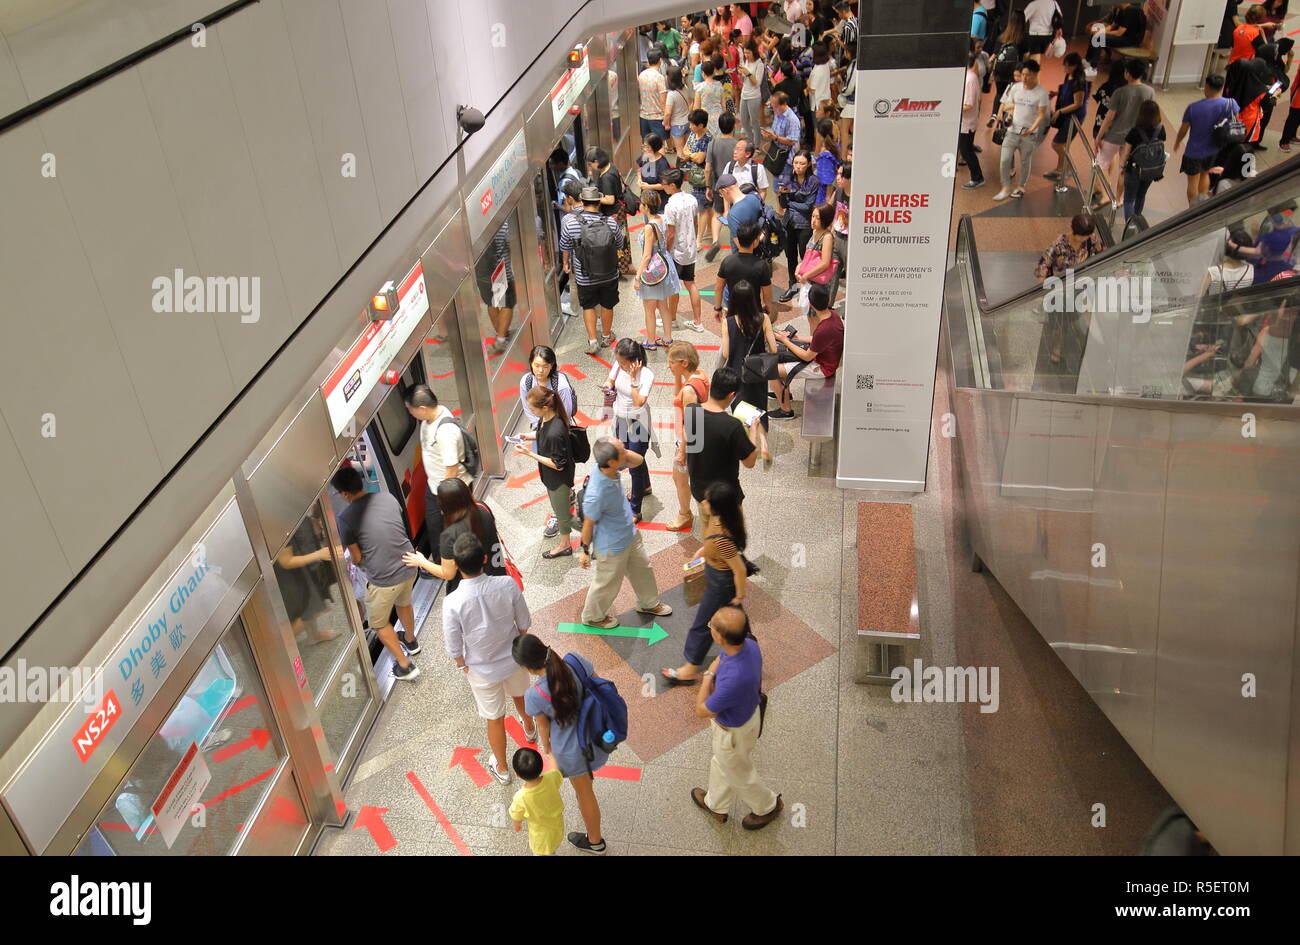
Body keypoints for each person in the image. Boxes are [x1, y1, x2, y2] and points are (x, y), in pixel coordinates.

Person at [442, 533, 532, 785]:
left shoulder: (451, 603)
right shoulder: (506, 584)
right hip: (513, 658)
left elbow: (453, 647)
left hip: (481, 670)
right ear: (484, 559)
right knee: (521, 695)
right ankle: (530, 727)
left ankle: (502, 768)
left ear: (457, 566)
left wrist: (463, 666)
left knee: (494, 718)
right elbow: (524, 623)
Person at [690, 605, 783, 831]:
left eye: (711, 625)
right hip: (750, 717)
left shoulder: (732, 679)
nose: (709, 627)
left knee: (740, 774)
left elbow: (702, 710)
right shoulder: (750, 645)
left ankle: (768, 806)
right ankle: (716, 804)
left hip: (732, 732)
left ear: (719, 636)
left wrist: (708, 676)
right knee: (723, 764)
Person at [512, 635, 608, 854]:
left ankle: (596, 841)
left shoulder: (534, 695)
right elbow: (599, 686)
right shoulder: (574, 661)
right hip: (597, 735)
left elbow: (543, 728)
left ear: (526, 667)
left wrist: (547, 750)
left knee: (584, 793)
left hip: (572, 751)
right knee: (585, 788)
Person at [332, 466, 420, 681]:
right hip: (410, 563)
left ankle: (405, 666)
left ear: (344, 494)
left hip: (384, 579)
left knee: (379, 623)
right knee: (404, 603)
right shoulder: (387, 497)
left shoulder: (345, 519)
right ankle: (411, 641)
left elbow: (357, 557)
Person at [577, 436, 673, 627]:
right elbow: (588, 523)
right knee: (607, 583)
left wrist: (623, 452)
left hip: (629, 533)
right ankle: (592, 617)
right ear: (612, 461)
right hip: (611, 544)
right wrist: (585, 551)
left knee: (643, 570)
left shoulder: (610, 467)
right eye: (623, 451)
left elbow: (639, 460)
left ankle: (648, 603)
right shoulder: (597, 492)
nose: (627, 451)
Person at [664, 481, 750, 685]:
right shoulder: (720, 518)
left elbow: (739, 570)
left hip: (722, 583)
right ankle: (745, 647)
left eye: (708, 500)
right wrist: (704, 552)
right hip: (715, 573)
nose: (703, 501)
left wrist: (739, 595)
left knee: (703, 623)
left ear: (717, 506)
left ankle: (691, 668)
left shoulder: (723, 539)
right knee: (732, 618)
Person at [405, 384, 471, 562]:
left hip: (449, 491)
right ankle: (441, 561)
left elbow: (451, 468)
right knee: (435, 527)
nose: (411, 414)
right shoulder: (431, 419)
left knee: (446, 528)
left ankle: (449, 565)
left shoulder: (445, 431)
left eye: (411, 410)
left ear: (422, 408)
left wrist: (445, 501)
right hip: (434, 485)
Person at [403, 478, 506, 592]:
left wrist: (421, 561)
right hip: (498, 578)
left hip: (472, 591)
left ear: (443, 507)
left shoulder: (450, 535)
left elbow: (448, 574)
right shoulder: (482, 508)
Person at [684, 366, 759, 519]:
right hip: (725, 498)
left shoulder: (691, 411)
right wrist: (753, 431)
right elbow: (750, 462)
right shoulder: (732, 426)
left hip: (700, 492)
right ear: (732, 395)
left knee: (709, 537)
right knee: (730, 541)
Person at [516, 386, 579, 559]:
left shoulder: (555, 432)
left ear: (544, 407)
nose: (530, 411)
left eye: (532, 408)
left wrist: (529, 453)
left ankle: (594, 533)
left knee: (564, 515)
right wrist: (526, 436)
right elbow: (541, 433)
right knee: (562, 512)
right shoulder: (547, 419)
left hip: (558, 480)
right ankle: (566, 543)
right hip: (552, 479)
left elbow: (558, 464)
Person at [561, 184, 623, 355]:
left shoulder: (570, 222)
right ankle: (606, 336)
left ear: (582, 200)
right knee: (607, 304)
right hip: (609, 274)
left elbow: (565, 246)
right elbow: (619, 244)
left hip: (584, 276)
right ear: (598, 202)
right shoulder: (610, 222)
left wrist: (566, 263)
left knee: (588, 306)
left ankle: (593, 341)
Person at [1034, 214, 1105, 364]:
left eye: (1087, 235)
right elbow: (1042, 269)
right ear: (1074, 231)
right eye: (1082, 236)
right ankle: (1057, 347)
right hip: (1061, 291)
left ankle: (1092, 343)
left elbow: (1104, 253)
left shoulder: (1091, 239)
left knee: (1088, 315)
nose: (1085, 239)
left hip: (1082, 287)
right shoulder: (1058, 245)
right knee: (1061, 322)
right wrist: (1046, 291)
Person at [771, 278, 845, 418]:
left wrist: (784, 340)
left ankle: (786, 410)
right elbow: (818, 341)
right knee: (779, 358)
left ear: (811, 304)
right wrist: (796, 339)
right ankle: (783, 391)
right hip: (824, 358)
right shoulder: (833, 316)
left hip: (821, 367)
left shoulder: (824, 328)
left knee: (771, 370)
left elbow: (807, 356)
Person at [600, 339, 655, 521]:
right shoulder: (618, 364)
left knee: (633, 465)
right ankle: (646, 486)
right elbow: (610, 379)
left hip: (639, 422)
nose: (621, 366)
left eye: (624, 363)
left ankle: (635, 509)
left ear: (636, 361)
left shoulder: (646, 375)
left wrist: (632, 380)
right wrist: (608, 386)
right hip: (621, 420)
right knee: (630, 454)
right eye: (619, 362)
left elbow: (639, 402)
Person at [721, 280, 776, 460]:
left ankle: (750, 442)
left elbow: (726, 352)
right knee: (760, 405)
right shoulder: (764, 319)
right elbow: (774, 350)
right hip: (758, 371)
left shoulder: (728, 322)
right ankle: (764, 443)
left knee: (742, 407)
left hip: (737, 372)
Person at [1093, 59, 1154, 208]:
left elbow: (1109, 118)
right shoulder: (1149, 92)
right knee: (1124, 169)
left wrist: (1099, 136)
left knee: (1100, 164)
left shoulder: (1120, 92)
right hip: (1134, 137)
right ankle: (1118, 199)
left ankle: (1107, 195)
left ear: (1128, 73)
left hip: (1115, 135)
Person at [1174, 75, 1240, 206]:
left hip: (1194, 151)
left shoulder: (1193, 108)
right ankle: (1203, 204)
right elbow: (1236, 121)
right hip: (1213, 149)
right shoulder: (1231, 103)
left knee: (1192, 181)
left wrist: (1177, 141)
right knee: (1205, 175)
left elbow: (1184, 129)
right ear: (1221, 87)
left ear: (1207, 87)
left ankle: (1193, 208)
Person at [667, 342, 712, 532]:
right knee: (682, 477)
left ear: (684, 363)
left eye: (671, 362)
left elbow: (690, 423)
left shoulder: (689, 391)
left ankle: (685, 514)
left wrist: (681, 451)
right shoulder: (699, 376)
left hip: (689, 441)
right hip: (696, 438)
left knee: (680, 478)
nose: (669, 366)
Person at [995, 58, 1050, 200]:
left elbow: (1042, 114)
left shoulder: (1041, 93)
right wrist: (1009, 116)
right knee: (1004, 160)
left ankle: (1021, 186)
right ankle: (1006, 187)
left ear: (1036, 74)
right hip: (1012, 131)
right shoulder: (1015, 88)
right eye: (1023, 74)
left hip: (1028, 134)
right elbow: (1011, 104)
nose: (1024, 78)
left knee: (1025, 161)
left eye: (1028, 75)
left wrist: (1032, 129)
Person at [634, 190, 681, 349]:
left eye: (641, 203)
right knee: (663, 305)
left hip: (653, 269)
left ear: (646, 206)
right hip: (665, 264)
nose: (640, 206)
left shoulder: (649, 227)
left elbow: (647, 256)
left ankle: (651, 341)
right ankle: (668, 339)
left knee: (649, 308)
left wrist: (637, 277)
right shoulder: (663, 219)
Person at [662, 167, 705, 334]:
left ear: (672, 185)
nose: (663, 187)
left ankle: (671, 319)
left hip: (676, 251)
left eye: (665, 184)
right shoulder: (691, 199)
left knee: (674, 286)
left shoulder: (670, 205)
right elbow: (694, 222)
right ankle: (698, 321)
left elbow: (670, 233)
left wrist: (665, 251)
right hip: (690, 249)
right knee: (690, 283)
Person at [777, 151, 821, 299]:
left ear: (808, 164)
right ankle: (792, 286)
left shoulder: (814, 181)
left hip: (805, 224)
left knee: (805, 256)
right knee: (790, 256)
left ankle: (809, 286)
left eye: (802, 163)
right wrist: (783, 194)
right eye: (796, 163)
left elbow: (808, 206)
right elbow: (783, 205)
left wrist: (790, 202)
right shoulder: (788, 178)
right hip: (789, 222)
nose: (798, 166)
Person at [587, 147, 635, 277]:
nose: (591, 168)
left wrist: (594, 198)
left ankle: (619, 268)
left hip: (613, 213)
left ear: (597, 161)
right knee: (622, 239)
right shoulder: (611, 167)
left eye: (591, 164)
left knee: (615, 241)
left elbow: (609, 199)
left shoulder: (606, 177)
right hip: (619, 210)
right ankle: (625, 265)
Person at [509, 747, 565, 856]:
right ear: (541, 766)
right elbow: (555, 769)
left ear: (517, 775)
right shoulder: (551, 778)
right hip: (557, 827)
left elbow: (516, 816)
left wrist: (517, 825)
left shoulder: (521, 797)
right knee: (551, 849)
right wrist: (551, 751)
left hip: (540, 837)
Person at [1045, 53, 1089, 186]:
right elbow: (1068, 91)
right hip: (1066, 113)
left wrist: (1060, 111)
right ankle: (1060, 169)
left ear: (1074, 66)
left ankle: (1068, 167)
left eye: (1067, 65)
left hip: (1074, 116)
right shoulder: (1069, 76)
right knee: (1063, 144)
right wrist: (1057, 93)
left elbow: (1078, 103)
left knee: (1057, 144)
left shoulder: (1079, 81)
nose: (1064, 67)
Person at [1118, 99, 1167, 220]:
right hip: (1151, 170)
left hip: (1134, 170)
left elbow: (1126, 152)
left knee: (1129, 199)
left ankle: (1129, 226)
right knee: (1141, 195)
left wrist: (1122, 167)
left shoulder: (1134, 132)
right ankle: (1138, 220)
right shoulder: (1161, 129)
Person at [715, 218, 774, 317]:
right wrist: (768, 308)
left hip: (733, 314)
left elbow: (719, 288)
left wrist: (717, 308)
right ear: (755, 241)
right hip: (755, 313)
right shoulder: (762, 265)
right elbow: (767, 294)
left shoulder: (727, 261)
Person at [703, 111, 740, 261]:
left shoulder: (713, 143)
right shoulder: (737, 145)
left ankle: (715, 241)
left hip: (719, 184)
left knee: (717, 213)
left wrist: (708, 186)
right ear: (732, 127)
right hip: (736, 186)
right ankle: (736, 244)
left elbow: (707, 168)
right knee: (736, 215)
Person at [989, 11, 1026, 108]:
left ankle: (994, 115)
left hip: (1000, 71)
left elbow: (995, 54)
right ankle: (1004, 116)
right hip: (1014, 71)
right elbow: (1025, 56)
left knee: (999, 93)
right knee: (1011, 95)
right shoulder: (1022, 38)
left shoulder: (1002, 37)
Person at [960, 52, 985, 189]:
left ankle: (977, 177)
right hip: (968, 122)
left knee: (966, 151)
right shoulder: (970, 77)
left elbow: (968, 105)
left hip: (966, 123)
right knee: (966, 149)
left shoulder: (969, 79)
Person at [639, 47, 669, 140]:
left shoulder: (641, 75)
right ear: (660, 60)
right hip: (657, 117)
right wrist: (666, 119)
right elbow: (663, 100)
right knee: (659, 146)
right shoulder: (659, 77)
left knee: (647, 145)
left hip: (643, 115)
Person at [694, 58, 728, 137]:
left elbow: (696, 107)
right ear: (713, 71)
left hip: (705, 118)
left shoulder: (699, 88)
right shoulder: (719, 85)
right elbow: (723, 105)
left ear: (702, 73)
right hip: (718, 116)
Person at [806, 43, 833, 118]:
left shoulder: (818, 70)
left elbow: (812, 89)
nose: (811, 52)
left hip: (818, 104)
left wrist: (807, 84)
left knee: (818, 127)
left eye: (812, 51)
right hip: (826, 99)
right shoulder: (825, 64)